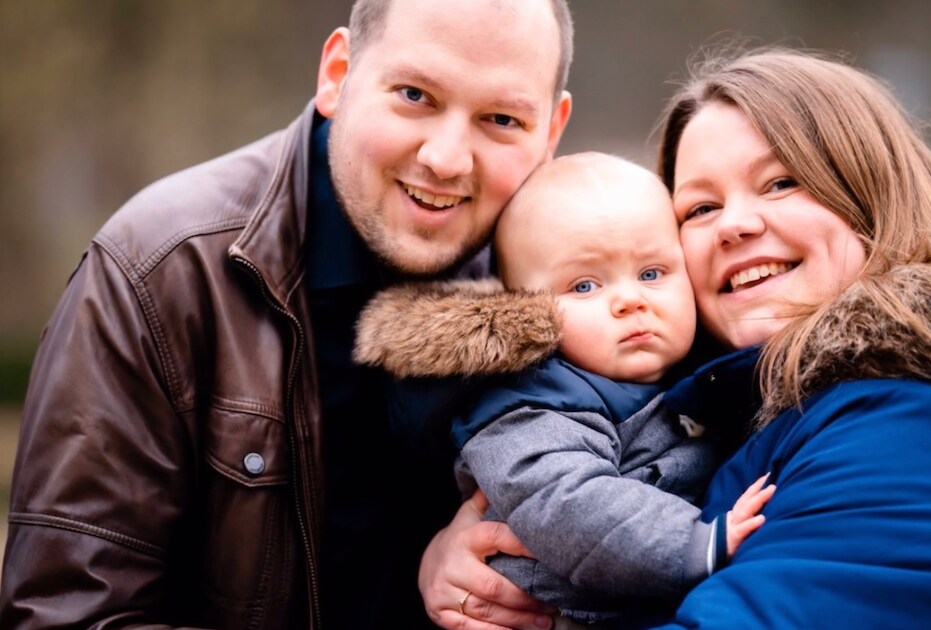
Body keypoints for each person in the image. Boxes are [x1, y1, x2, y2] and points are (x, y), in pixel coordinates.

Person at [438, 47, 931, 628]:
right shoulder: (752, 413)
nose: (735, 224)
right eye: (699, 207)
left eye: (781, 183)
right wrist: (495, 571)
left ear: (876, 198)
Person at [0, 0, 573, 628]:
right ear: (338, 74)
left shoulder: (579, 290)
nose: (447, 158)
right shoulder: (161, 270)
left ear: (551, 132)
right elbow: (67, 615)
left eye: (501, 119)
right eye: (414, 94)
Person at [352, 152, 775, 628]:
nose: (630, 300)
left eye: (652, 274)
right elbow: (570, 504)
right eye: (585, 285)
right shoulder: (527, 408)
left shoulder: (696, 366)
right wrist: (698, 544)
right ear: (529, 310)